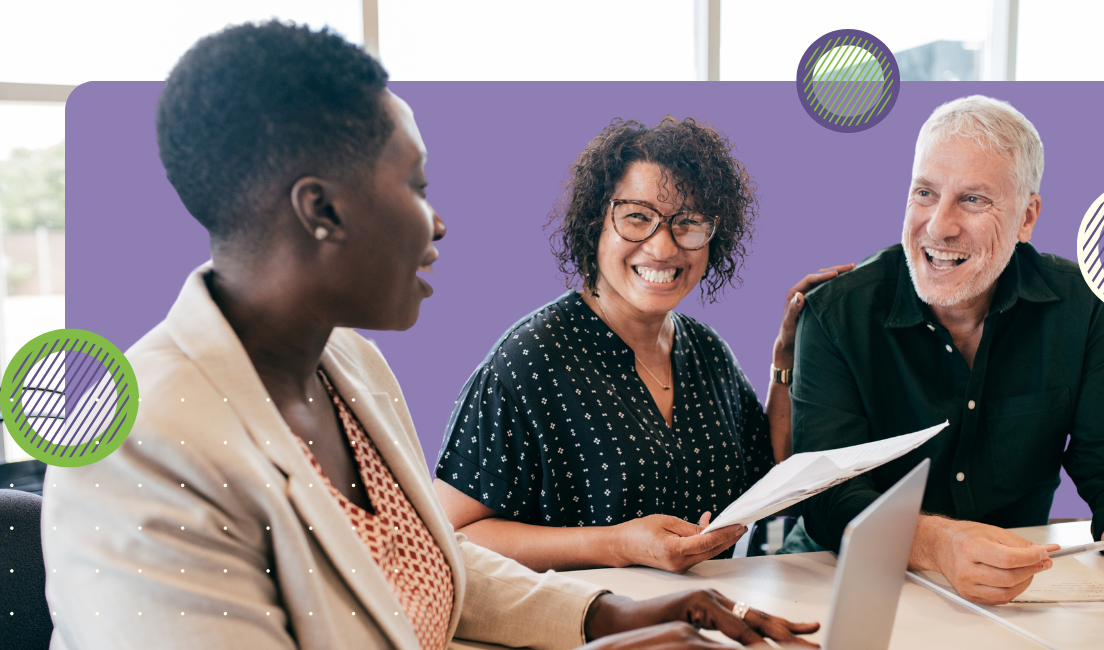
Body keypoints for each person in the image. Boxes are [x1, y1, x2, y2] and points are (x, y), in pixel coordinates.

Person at [40, 22, 821, 649]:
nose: (437, 220)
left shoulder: (351, 366)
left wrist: (615, 615)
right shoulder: (139, 445)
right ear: (324, 210)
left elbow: (433, 566)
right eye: (414, 185)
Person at [784, 95, 1104, 610]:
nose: (938, 226)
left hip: (1012, 590)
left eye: (973, 200)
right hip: (844, 576)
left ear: (1027, 216)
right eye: (925, 193)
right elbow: (829, 496)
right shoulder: (836, 315)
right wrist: (939, 544)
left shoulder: (1082, 307)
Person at [433, 115, 852, 573]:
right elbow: (455, 536)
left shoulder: (706, 351)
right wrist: (616, 544)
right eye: (638, 217)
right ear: (596, 222)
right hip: (588, 631)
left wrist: (786, 357)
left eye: (688, 223)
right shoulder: (528, 361)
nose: (663, 247)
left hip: (706, 621)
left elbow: (770, 473)